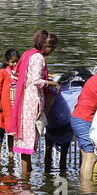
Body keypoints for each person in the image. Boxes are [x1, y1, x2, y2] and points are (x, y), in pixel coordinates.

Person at [13, 29, 60, 180]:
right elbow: (35, 80)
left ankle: (25, 173)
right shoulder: (39, 58)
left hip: (25, 99)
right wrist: (51, 82)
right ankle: (25, 178)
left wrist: (47, 76)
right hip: (33, 101)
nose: (52, 51)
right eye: (52, 48)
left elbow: (21, 73)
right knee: (29, 139)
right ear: (46, 46)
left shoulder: (29, 54)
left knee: (24, 140)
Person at [44, 69, 85, 175]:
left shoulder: (56, 88)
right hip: (66, 127)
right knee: (63, 156)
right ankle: (63, 176)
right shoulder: (79, 90)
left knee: (48, 153)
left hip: (51, 125)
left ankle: (47, 176)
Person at [0, 48, 20, 163]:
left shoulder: (18, 72)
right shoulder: (3, 71)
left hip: (13, 105)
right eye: (12, 62)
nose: (14, 64)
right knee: (1, 129)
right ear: (6, 61)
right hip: (4, 105)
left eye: (16, 62)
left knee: (11, 130)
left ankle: (11, 151)